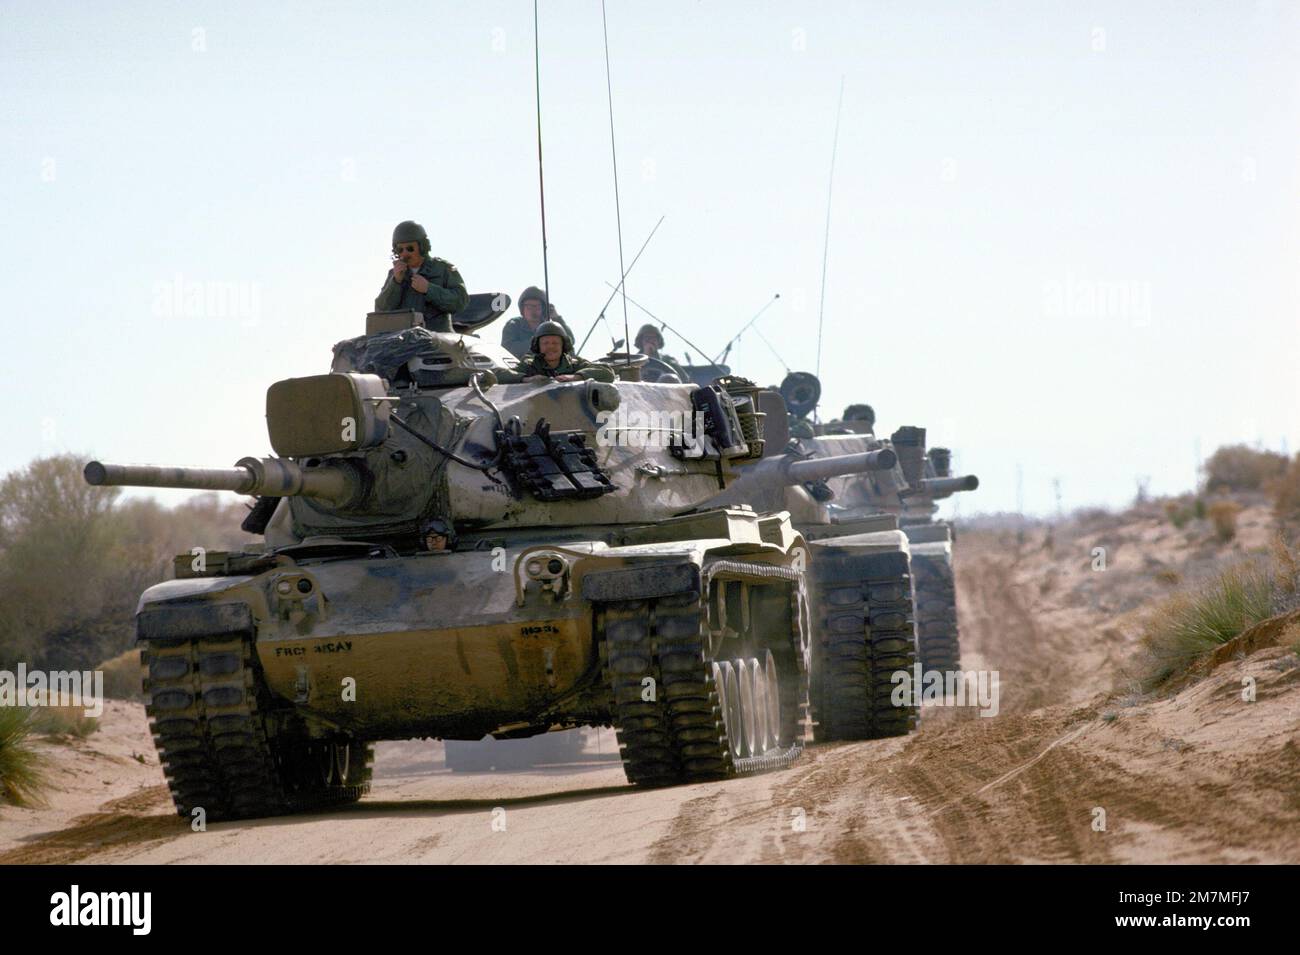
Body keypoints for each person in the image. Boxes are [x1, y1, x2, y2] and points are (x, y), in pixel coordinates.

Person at [375, 220, 469, 332]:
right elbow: (380, 310)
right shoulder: (395, 274)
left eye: (410, 248)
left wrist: (429, 289)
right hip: (404, 342)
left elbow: (460, 301)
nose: (405, 254)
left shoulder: (442, 269)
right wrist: (396, 282)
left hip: (437, 341)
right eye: (400, 249)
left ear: (422, 247)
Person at [502, 321, 615, 383]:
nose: (550, 347)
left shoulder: (574, 364)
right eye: (545, 343)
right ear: (538, 346)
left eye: (555, 343)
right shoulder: (529, 365)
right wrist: (527, 379)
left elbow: (607, 372)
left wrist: (576, 377)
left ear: (563, 346)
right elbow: (498, 376)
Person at [500, 286, 574, 358]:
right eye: (529, 306)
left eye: (537, 306)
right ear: (522, 308)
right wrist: (540, 343)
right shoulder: (514, 324)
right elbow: (508, 348)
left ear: (543, 309)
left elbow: (569, 342)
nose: (533, 310)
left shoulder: (550, 327)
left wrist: (557, 319)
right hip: (522, 368)